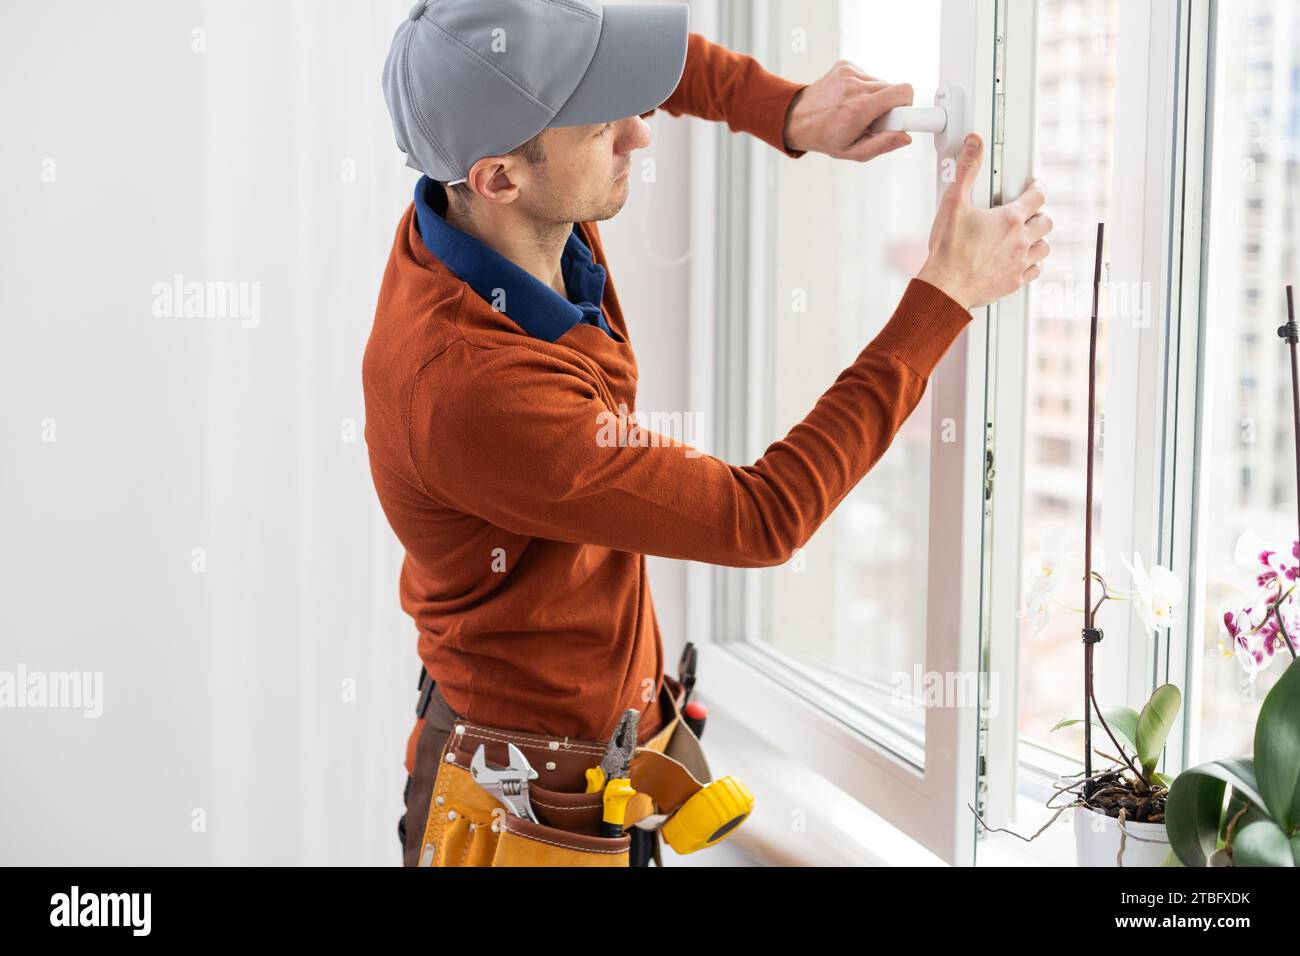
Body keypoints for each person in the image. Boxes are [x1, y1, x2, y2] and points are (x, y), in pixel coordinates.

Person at [365, 0, 1051, 867]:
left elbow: (663, 69)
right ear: (500, 176)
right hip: (523, 821)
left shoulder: (488, 219)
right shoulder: (473, 391)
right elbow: (761, 516)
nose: (638, 135)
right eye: (601, 124)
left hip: (604, 774)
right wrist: (942, 296)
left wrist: (787, 110)